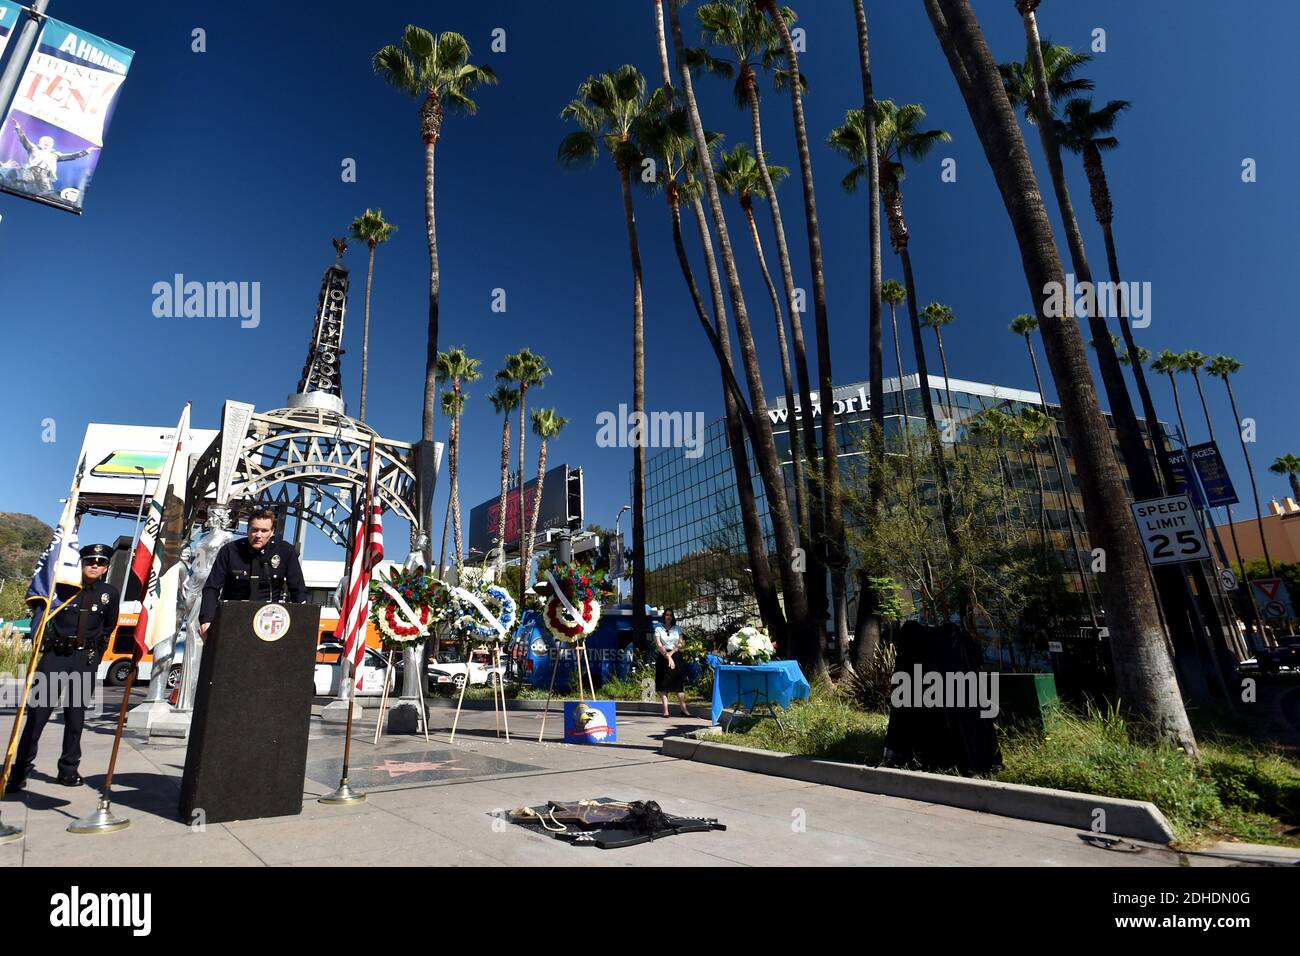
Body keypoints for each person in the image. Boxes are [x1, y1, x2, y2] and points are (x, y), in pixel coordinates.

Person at [7, 544, 120, 792]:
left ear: (106, 567)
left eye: (100, 563)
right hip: (55, 658)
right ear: (81, 562)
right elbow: (41, 614)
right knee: (37, 716)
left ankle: (68, 770)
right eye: (90, 561)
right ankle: (19, 771)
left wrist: (95, 655)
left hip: (84, 661)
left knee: (75, 717)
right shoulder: (61, 589)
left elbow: (109, 626)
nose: (94, 566)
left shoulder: (109, 593)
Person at [198, 509, 306, 639]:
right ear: (248, 529)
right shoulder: (230, 551)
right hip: (232, 620)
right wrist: (207, 619)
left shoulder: (285, 551)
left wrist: (301, 623)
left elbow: (298, 589)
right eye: (254, 530)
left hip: (269, 625)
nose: (258, 535)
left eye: (264, 531)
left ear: (272, 532)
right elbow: (212, 587)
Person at [9, 120, 97, 196]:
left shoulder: (55, 155)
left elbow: (72, 156)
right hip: (31, 170)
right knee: (24, 186)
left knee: (48, 192)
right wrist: (18, 127)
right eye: (44, 141)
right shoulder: (33, 148)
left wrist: (87, 151)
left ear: (52, 145)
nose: (47, 142)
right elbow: (23, 139)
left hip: (45, 174)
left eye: (49, 142)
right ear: (40, 143)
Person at [652, 610, 690, 718]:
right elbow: (659, 645)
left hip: (675, 656)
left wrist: (671, 655)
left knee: (679, 683)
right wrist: (667, 656)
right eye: (667, 615)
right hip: (662, 657)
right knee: (663, 683)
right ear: (664, 616)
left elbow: (680, 643)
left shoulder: (677, 629)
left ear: (673, 617)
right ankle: (665, 711)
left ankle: (684, 709)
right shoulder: (658, 629)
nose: (668, 617)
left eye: (670, 615)